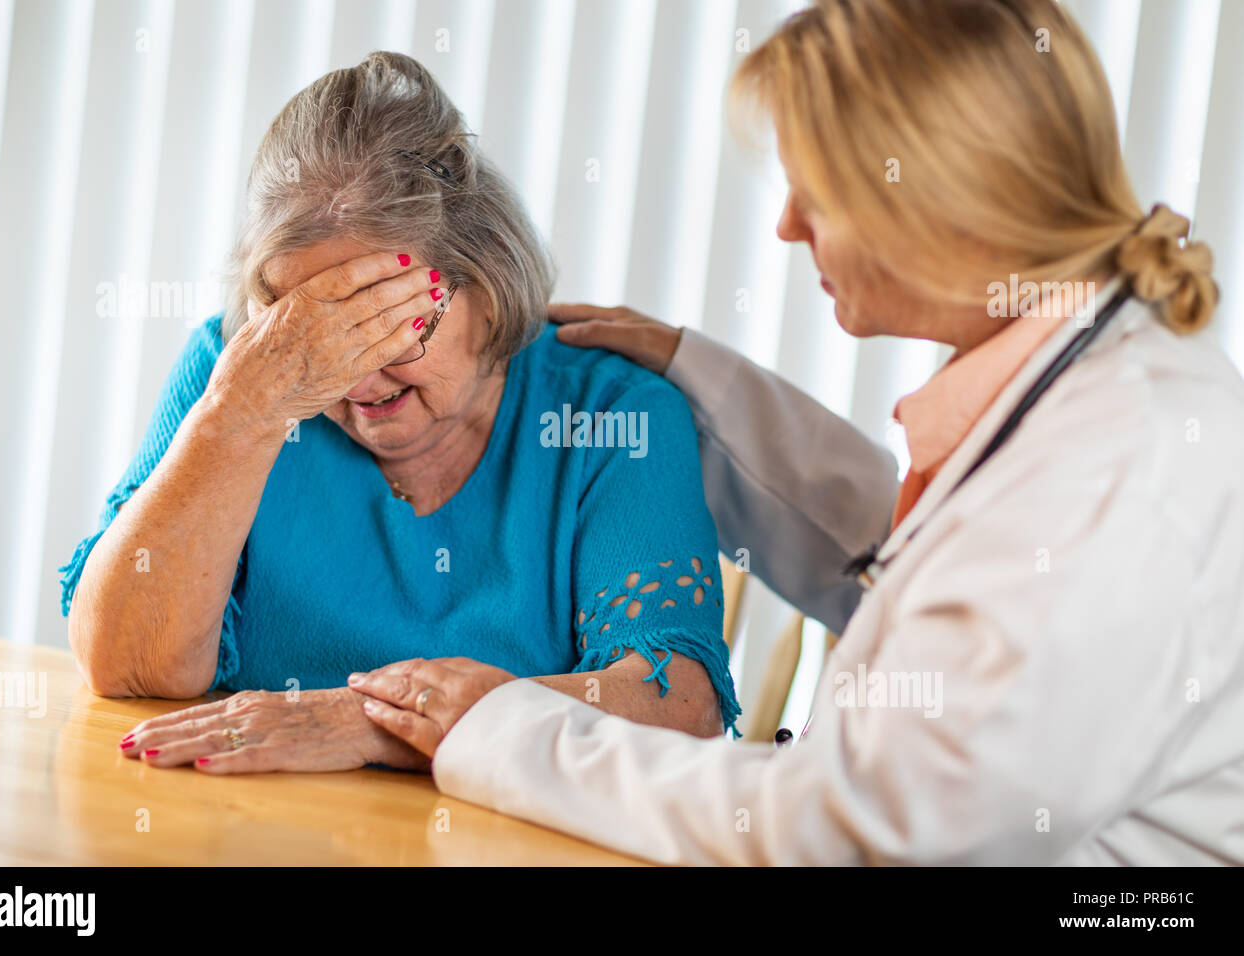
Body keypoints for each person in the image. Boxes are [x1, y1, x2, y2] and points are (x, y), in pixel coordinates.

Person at [348, 0, 1244, 864]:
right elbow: (904, 559)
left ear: (939, 194)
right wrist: (697, 372)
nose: (786, 225)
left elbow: (862, 831)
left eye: (820, 189)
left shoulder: (1118, 463)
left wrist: (504, 728)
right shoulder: (1080, 383)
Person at [60, 52, 739, 774]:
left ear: (489, 278)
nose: (349, 371)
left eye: (389, 320)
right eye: (311, 328)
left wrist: (375, 723)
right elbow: (128, 663)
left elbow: (677, 710)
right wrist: (247, 406)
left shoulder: (612, 414)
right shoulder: (241, 377)